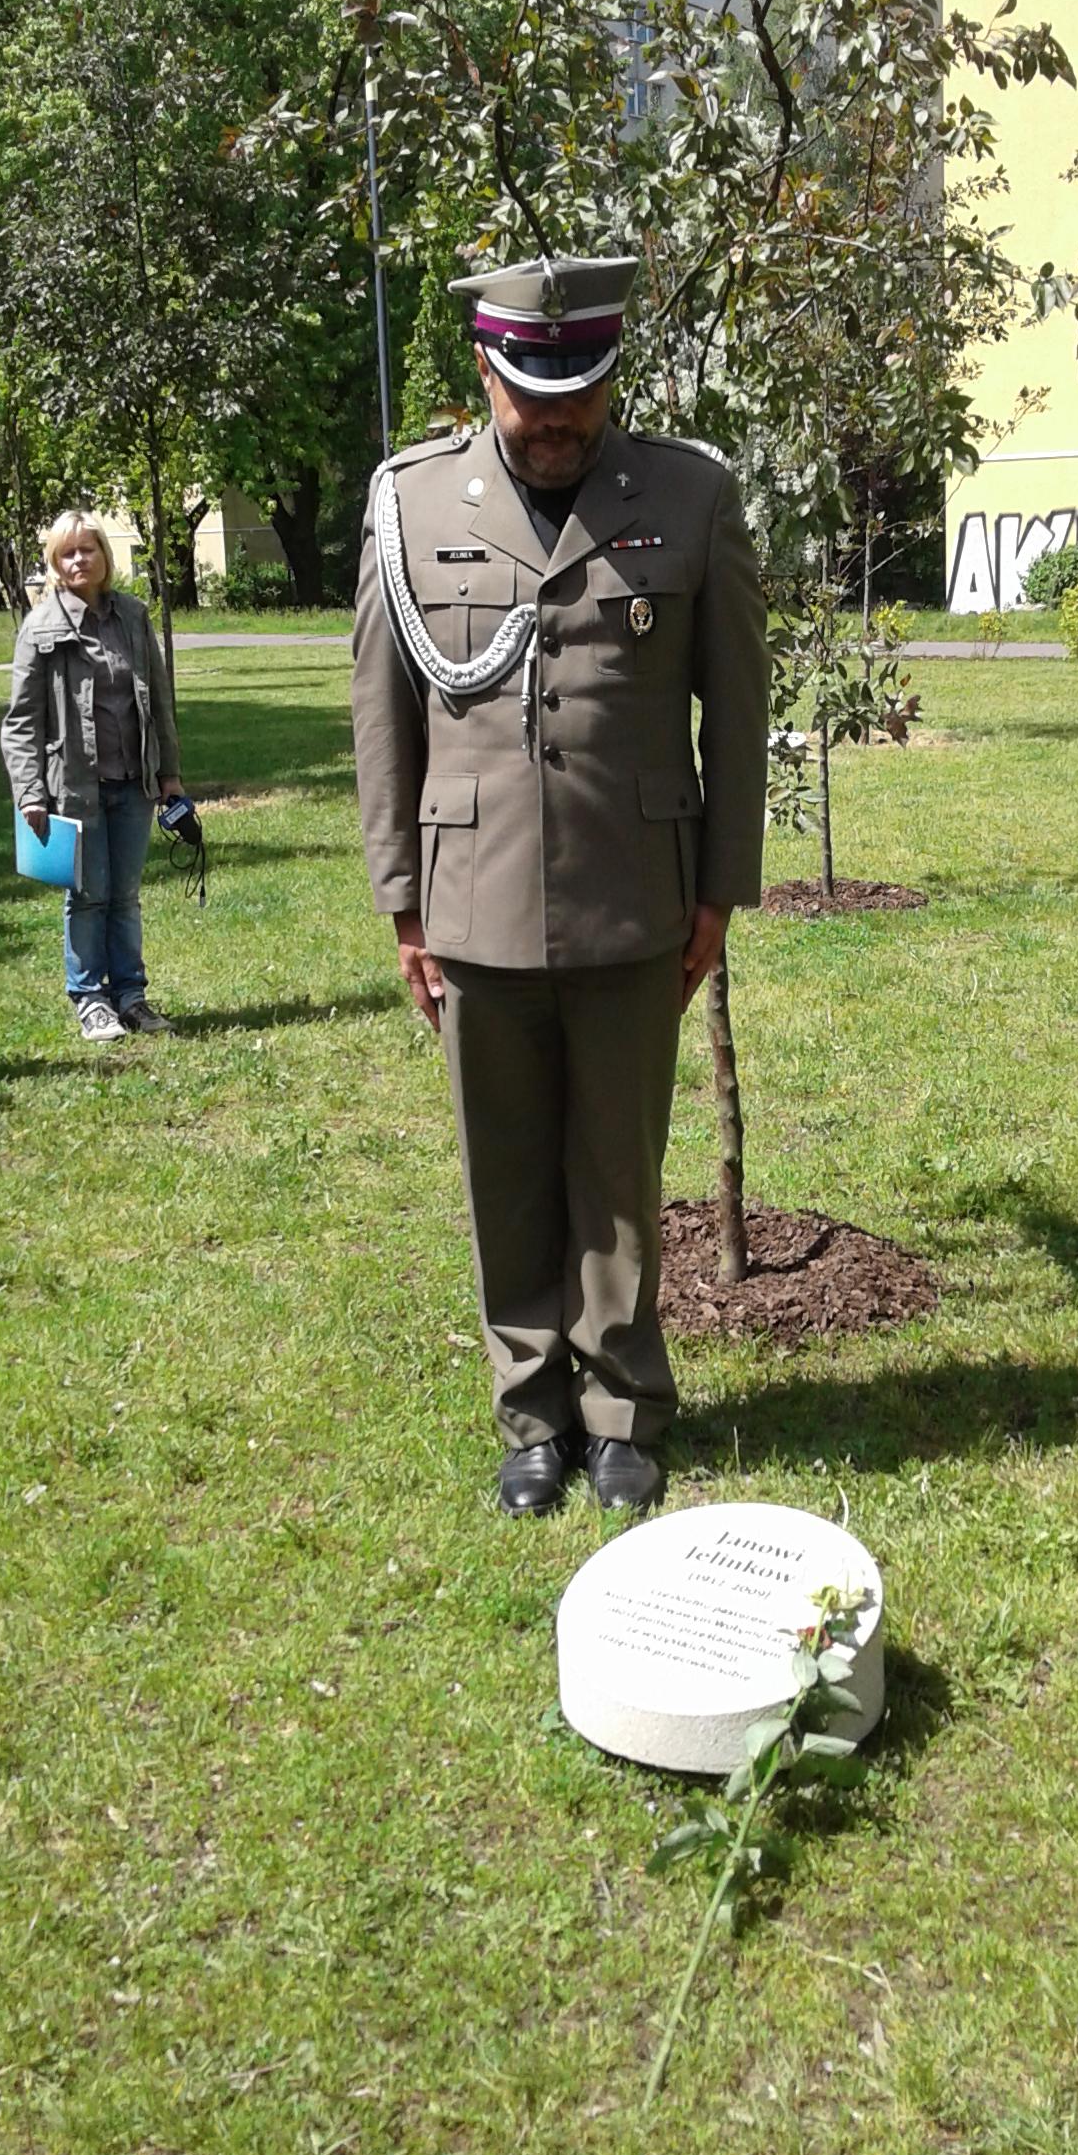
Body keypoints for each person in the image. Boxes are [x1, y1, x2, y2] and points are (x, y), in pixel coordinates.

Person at [351, 253, 769, 1515]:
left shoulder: (689, 496)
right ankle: (532, 1410)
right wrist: (403, 904)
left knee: (621, 1170)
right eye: (535, 396)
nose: (559, 421)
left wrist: (721, 892)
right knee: (510, 1166)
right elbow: (383, 714)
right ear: (487, 370)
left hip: (639, 895)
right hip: (471, 894)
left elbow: (736, 712)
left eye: (582, 392)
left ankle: (623, 1406)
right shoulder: (411, 503)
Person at [2, 511, 185, 1043]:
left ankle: (130, 997)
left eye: (88, 549)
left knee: (124, 896)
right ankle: (89, 999)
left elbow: (159, 701)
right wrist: (30, 792)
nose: (79, 560)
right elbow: (20, 723)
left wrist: (168, 773)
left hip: (134, 783)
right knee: (87, 896)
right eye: (67, 553)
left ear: (105, 555)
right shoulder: (40, 628)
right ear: (55, 564)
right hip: (72, 787)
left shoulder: (132, 615)